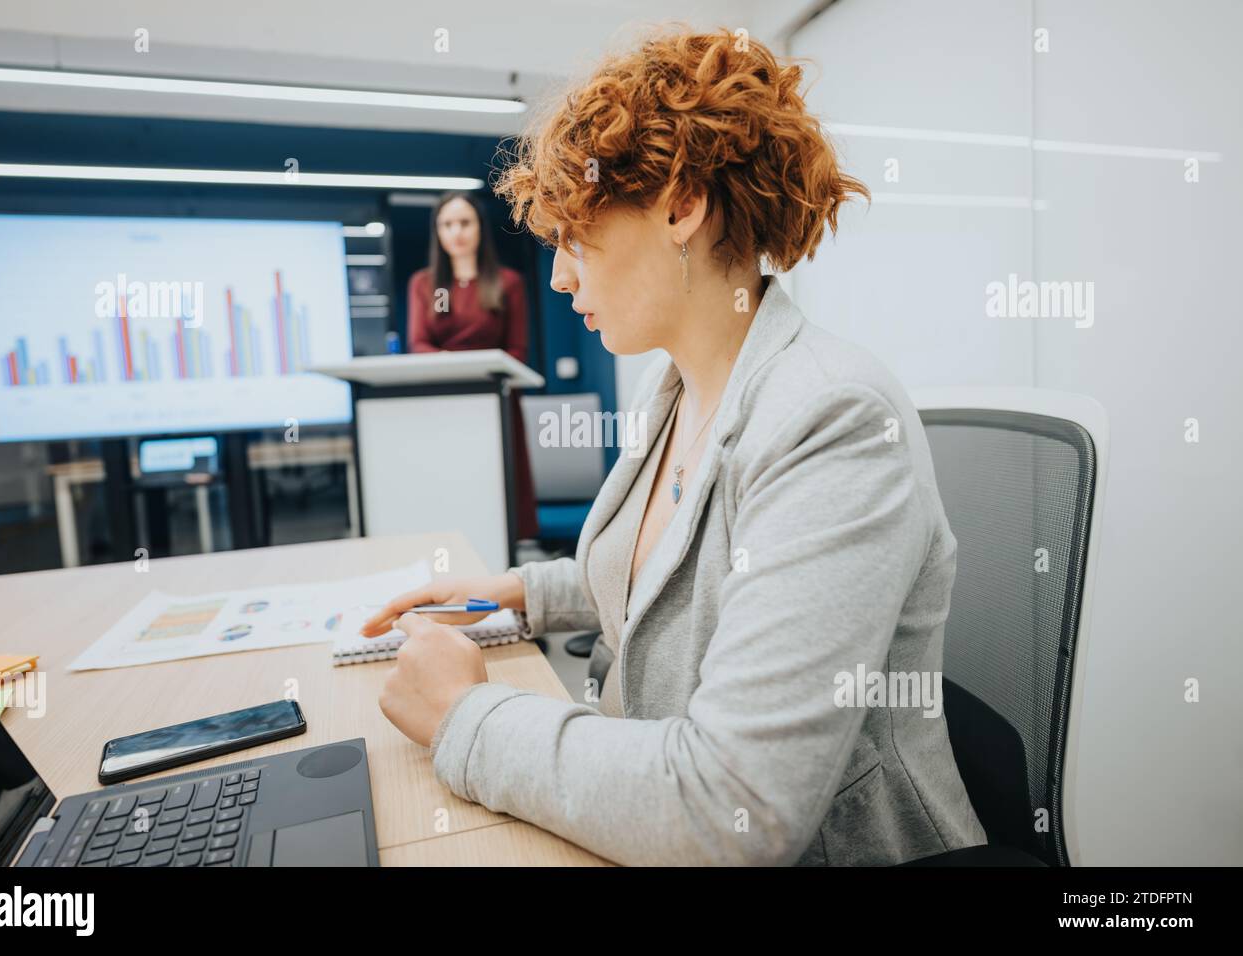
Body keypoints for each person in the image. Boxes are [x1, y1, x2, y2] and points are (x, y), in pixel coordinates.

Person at [364, 27, 987, 866]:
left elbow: (735, 805)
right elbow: (681, 572)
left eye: (575, 236)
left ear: (681, 205)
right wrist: (519, 592)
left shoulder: (831, 418)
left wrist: (465, 720)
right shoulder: (679, 390)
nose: (557, 277)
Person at [406, 191, 539, 540]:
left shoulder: (507, 283)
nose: (457, 232)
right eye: (447, 224)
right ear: (438, 232)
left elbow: (517, 349)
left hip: (497, 400)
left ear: (480, 228)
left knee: (498, 480)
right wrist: (449, 364)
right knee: (452, 482)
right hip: (446, 400)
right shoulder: (424, 284)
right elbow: (419, 343)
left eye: (465, 222)